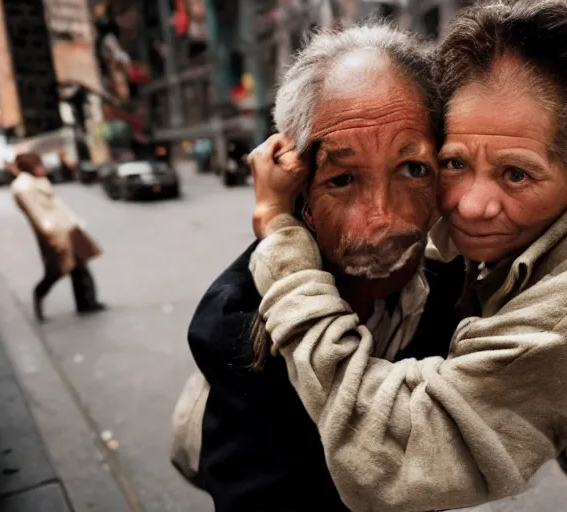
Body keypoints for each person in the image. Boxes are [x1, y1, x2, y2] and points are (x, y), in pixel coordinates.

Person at [246, 2, 567, 511]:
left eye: (516, 174)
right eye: (453, 163)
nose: (470, 206)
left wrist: (279, 233)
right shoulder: (551, 232)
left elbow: (390, 455)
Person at [174, 24, 460, 512]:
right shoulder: (237, 323)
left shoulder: (452, 290)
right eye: (343, 179)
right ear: (300, 193)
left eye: (413, 169)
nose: (382, 218)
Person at [10, 152, 105, 323]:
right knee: (58, 270)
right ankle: (39, 295)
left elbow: (57, 205)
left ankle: (87, 302)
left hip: (68, 227)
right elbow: (36, 214)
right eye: (38, 165)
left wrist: (74, 221)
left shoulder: (39, 181)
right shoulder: (23, 187)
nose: (42, 168)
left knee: (80, 265)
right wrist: (50, 235)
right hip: (55, 232)